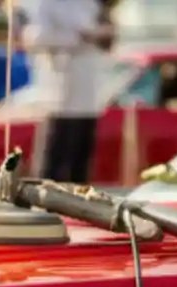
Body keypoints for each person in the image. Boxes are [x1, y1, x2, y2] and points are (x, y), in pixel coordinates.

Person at [23, 0, 114, 183]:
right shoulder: (45, 4)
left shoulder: (90, 4)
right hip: (60, 92)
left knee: (80, 161)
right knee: (54, 161)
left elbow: (107, 34)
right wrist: (79, 37)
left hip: (88, 92)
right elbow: (36, 37)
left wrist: (98, 34)